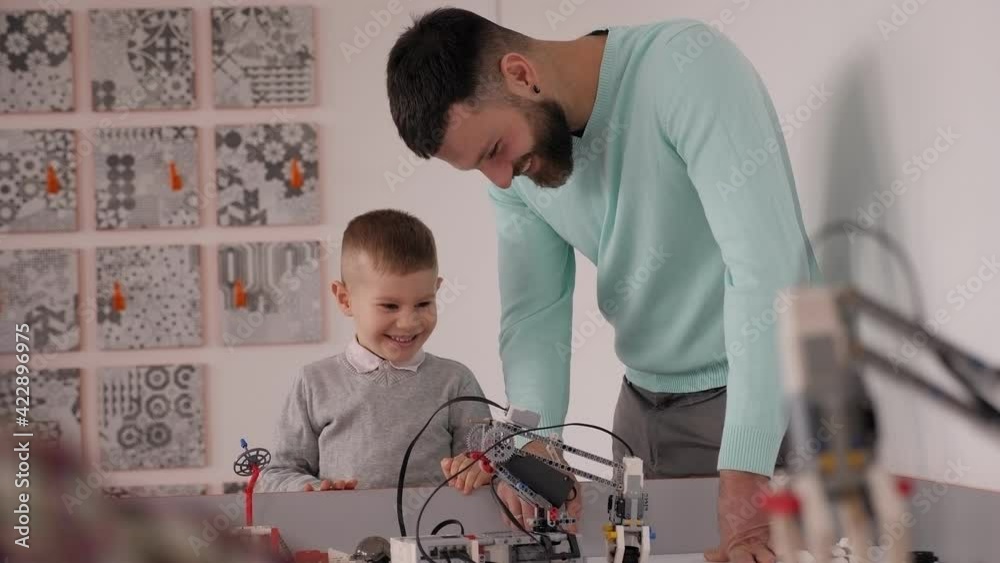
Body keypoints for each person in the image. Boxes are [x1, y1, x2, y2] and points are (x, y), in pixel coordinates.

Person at [386, 9, 821, 563]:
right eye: (478, 168)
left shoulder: (685, 68)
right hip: (640, 413)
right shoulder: (512, 176)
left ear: (520, 74)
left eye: (494, 149)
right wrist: (534, 443)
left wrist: (746, 470)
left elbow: (767, 271)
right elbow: (535, 313)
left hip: (759, 402)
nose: (499, 179)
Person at [259, 209, 493, 493]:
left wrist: (481, 469)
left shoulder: (456, 382)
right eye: (389, 306)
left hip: (437, 524)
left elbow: (492, 465)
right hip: (340, 523)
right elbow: (278, 474)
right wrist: (311, 490)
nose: (408, 322)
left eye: (423, 304)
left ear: (437, 290)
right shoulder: (314, 383)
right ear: (345, 299)